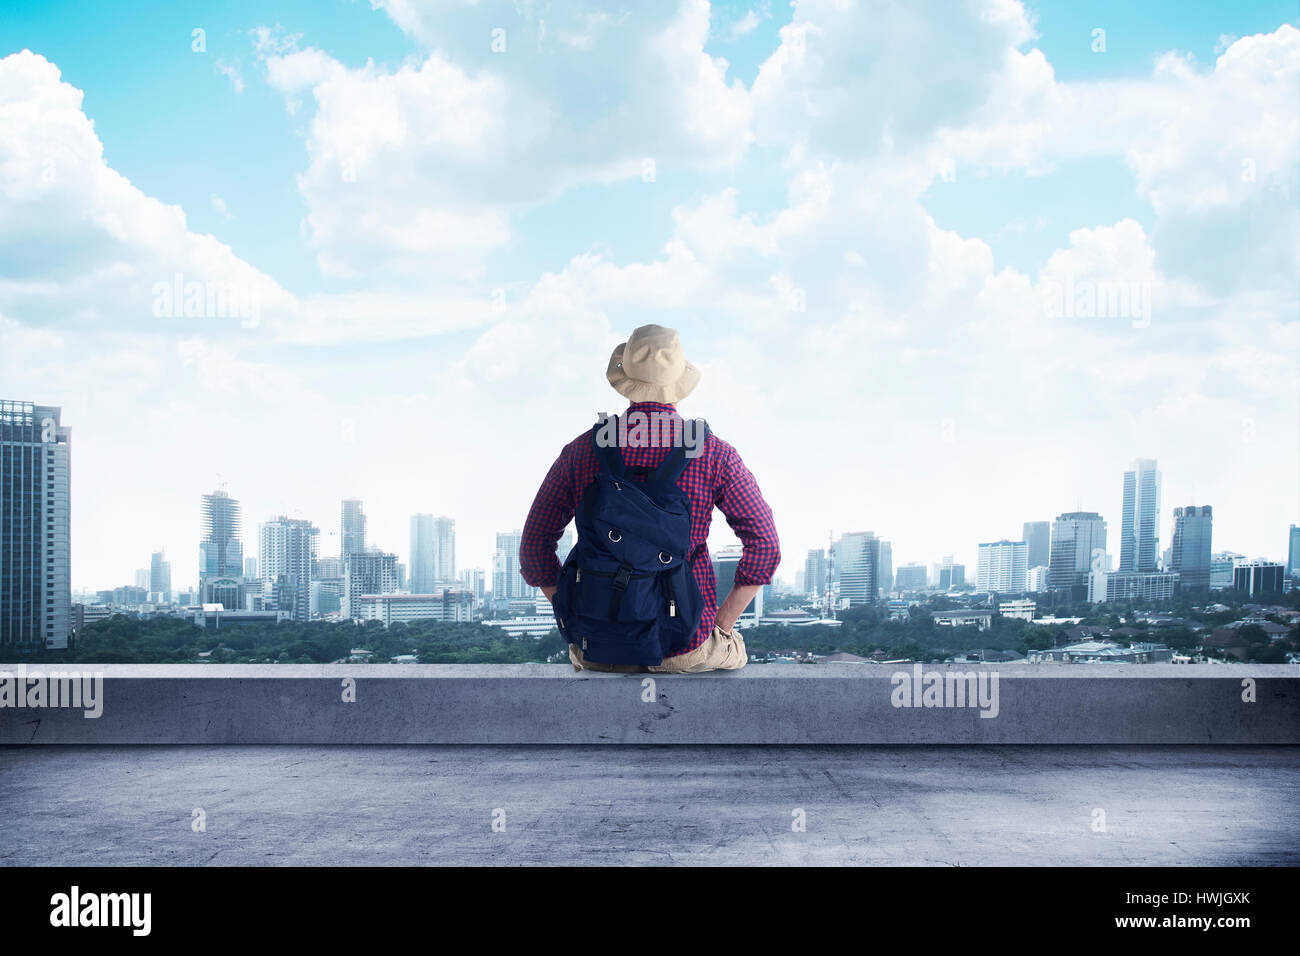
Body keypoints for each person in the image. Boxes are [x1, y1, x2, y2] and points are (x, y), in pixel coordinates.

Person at [519, 324, 780, 673]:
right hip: (685, 646)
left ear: (625, 378)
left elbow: (533, 548)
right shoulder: (714, 454)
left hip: (599, 648)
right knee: (736, 651)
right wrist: (719, 627)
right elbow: (766, 546)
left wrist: (576, 613)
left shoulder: (581, 452)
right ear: (679, 384)